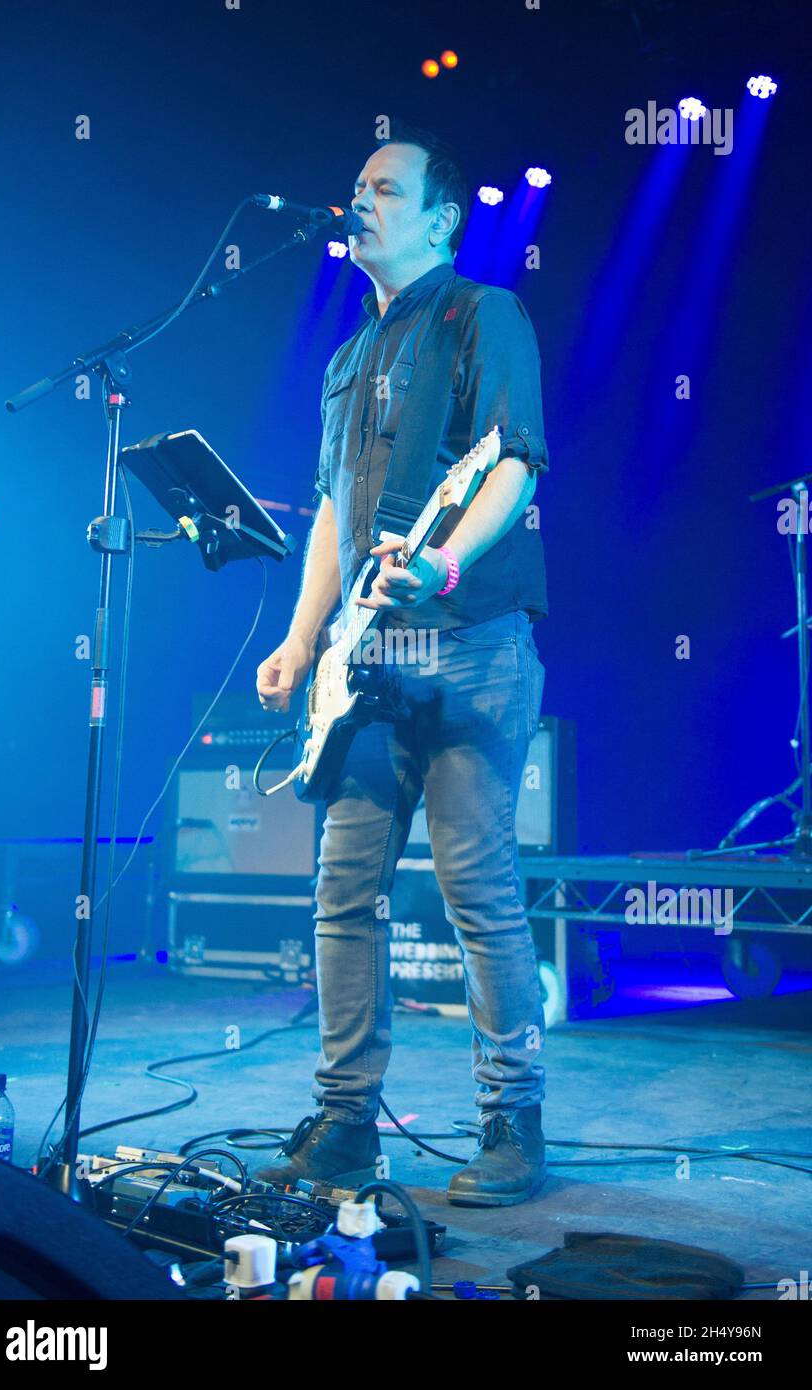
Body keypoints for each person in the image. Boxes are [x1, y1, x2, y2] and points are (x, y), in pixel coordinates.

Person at [255, 123, 549, 1206]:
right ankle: (345, 1123)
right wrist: (300, 637)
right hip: (364, 664)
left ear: (440, 217)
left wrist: (447, 561)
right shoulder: (344, 358)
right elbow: (336, 512)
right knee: (343, 891)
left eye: (385, 188)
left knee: (479, 890)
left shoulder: (484, 314)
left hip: (472, 646)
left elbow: (512, 462)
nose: (360, 199)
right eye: (357, 183)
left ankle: (511, 1125)